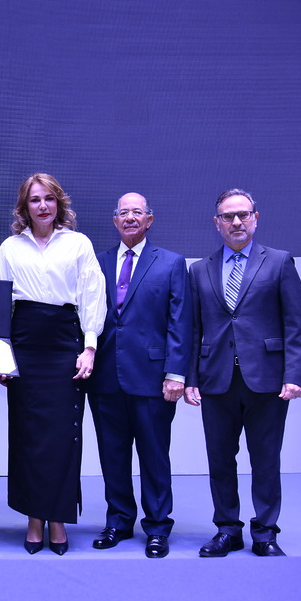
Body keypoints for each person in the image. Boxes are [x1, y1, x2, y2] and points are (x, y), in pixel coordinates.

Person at [184, 189, 301, 557]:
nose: (236, 222)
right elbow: (194, 330)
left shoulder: (280, 262)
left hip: (268, 379)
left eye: (243, 215)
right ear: (217, 223)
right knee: (220, 459)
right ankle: (227, 529)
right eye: (228, 216)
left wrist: (295, 375)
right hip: (215, 379)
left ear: (256, 217)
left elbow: (297, 324)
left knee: (266, 458)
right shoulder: (199, 269)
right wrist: (191, 378)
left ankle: (266, 532)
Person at [0, 173, 106, 555]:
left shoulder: (78, 243)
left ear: (59, 203)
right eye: (34, 200)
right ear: (24, 207)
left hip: (64, 345)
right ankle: (33, 519)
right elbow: (1, 304)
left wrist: (89, 347)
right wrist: (0, 354)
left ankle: (57, 519)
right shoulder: (10, 247)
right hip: (24, 345)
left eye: (49, 199)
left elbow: (92, 294)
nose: (42, 206)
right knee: (27, 438)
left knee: (61, 438)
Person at [88, 193, 192, 559]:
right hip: (103, 378)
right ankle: (118, 520)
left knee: (153, 455)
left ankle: (158, 527)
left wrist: (176, 373)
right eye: (123, 213)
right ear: (114, 221)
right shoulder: (96, 263)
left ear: (149, 220)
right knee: (112, 455)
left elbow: (181, 323)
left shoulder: (172, 263)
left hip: (153, 378)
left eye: (137, 212)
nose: (130, 218)